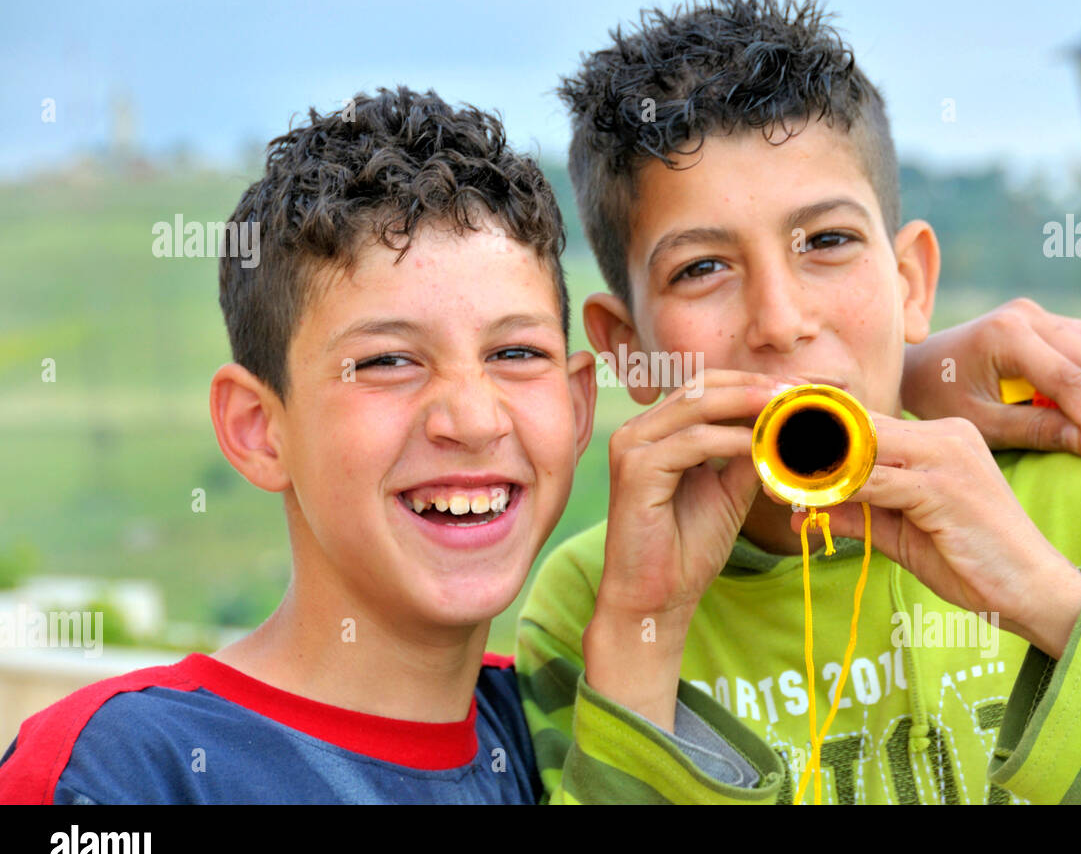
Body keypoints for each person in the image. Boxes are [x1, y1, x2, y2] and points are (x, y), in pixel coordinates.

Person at [516, 0, 1081, 804]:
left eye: (827, 241)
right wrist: (646, 634)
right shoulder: (590, 608)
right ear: (630, 352)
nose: (780, 321)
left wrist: (1052, 600)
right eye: (702, 268)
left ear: (910, 284)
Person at [0, 87, 785, 804]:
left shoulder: (574, 730)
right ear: (256, 428)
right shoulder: (119, 774)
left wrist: (644, 626)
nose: (473, 419)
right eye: (387, 361)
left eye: (516, 354)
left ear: (579, 407)